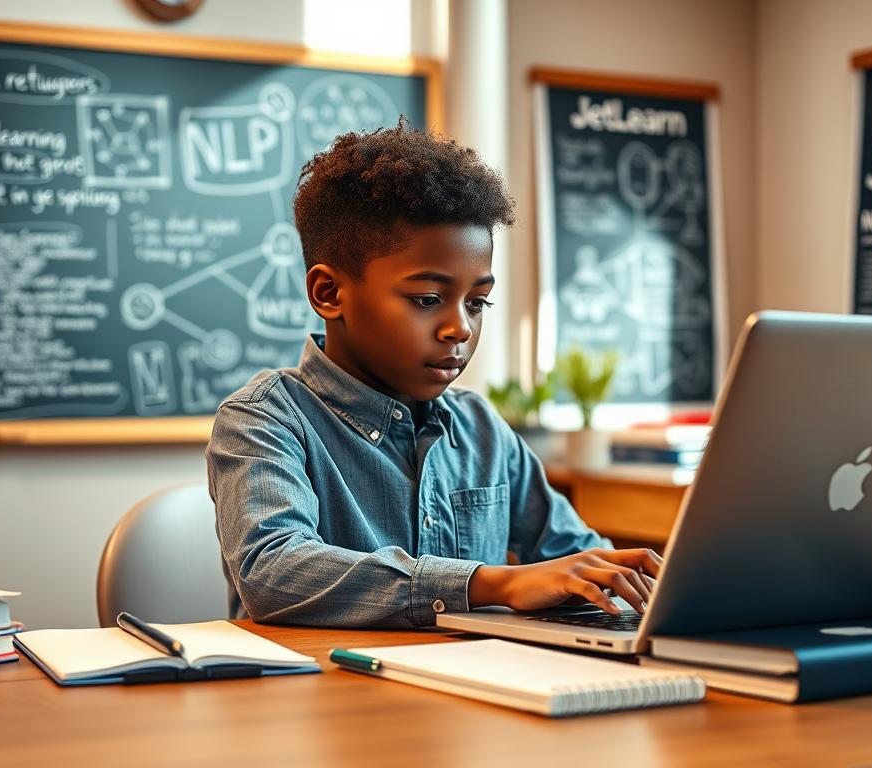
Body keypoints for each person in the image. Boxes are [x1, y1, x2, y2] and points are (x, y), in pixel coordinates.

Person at [206, 121, 661, 628]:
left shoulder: (481, 429)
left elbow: (578, 553)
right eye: (427, 299)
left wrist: (629, 582)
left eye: (478, 302)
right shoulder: (265, 420)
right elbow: (272, 572)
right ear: (329, 294)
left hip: (472, 692)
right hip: (324, 696)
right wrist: (493, 582)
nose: (459, 329)